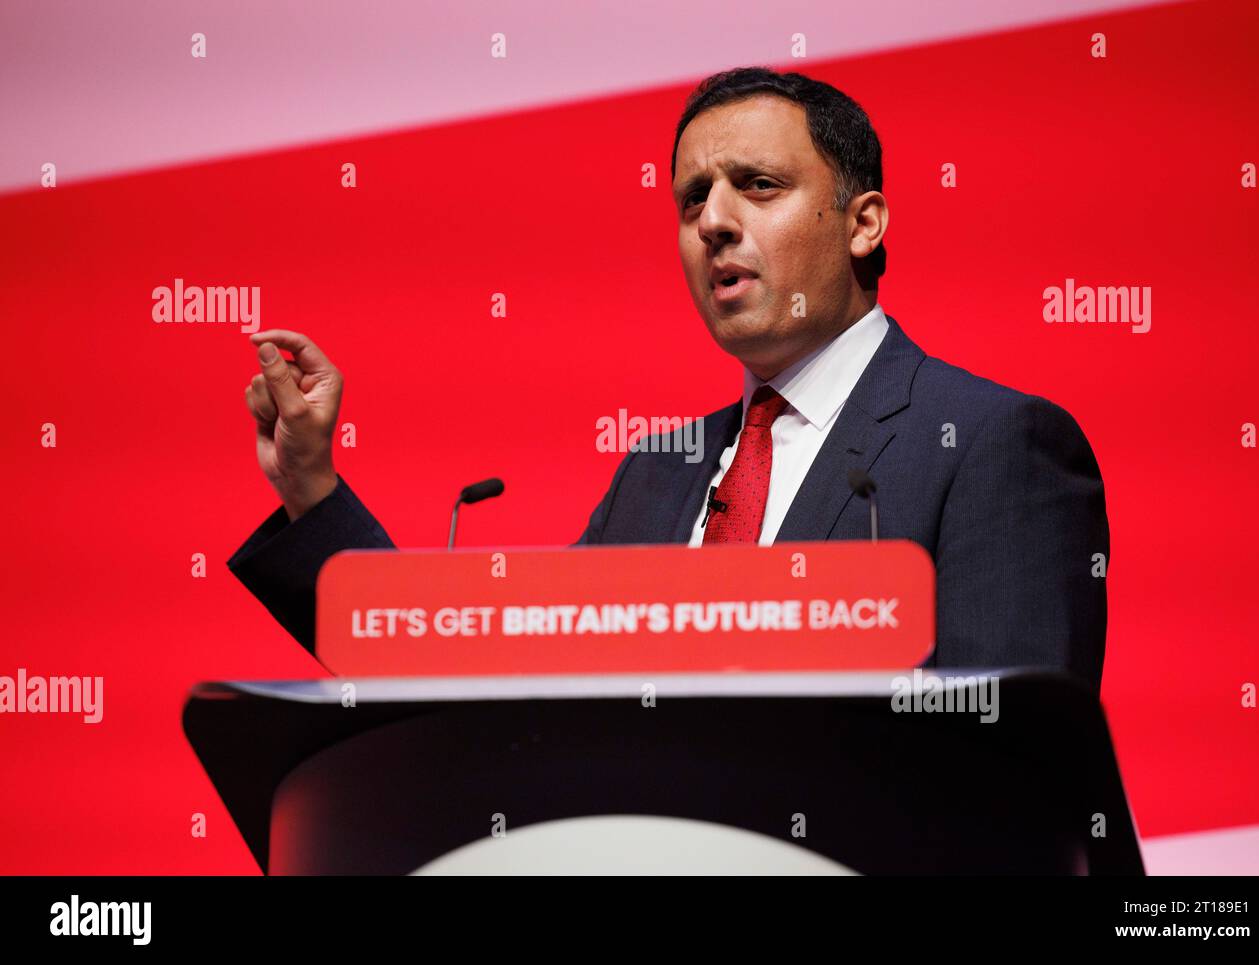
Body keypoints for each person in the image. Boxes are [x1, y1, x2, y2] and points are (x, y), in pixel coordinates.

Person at [229, 67, 1109, 690]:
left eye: (757, 186)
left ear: (863, 222)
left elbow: (1011, 778)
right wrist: (312, 489)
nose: (714, 222)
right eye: (692, 200)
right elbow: (472, 685)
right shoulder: (657, 477)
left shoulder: (993, 443)